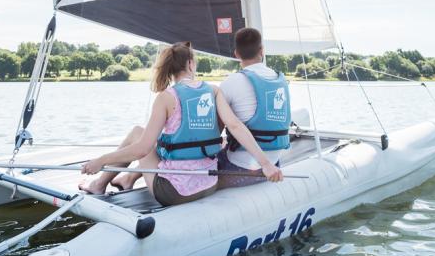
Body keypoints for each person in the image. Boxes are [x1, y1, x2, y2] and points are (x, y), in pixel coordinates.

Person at [79, 40, 283, 206]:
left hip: (174, 192)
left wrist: (100, 160)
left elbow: (141, 149)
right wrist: (265, 163)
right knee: (162, 141)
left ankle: (99, 184)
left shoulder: (166, 97)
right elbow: (235, 125)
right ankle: (126, 179)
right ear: (191, 64)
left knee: (137, 133)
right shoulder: (213, 90)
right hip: (208, 184)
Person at [216, 26, 292, 188]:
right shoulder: (280, 79)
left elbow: (216, 130)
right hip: (274, 162)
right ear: (262, 50)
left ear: (236, 53)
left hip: (240, 168)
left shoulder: (230, 83)